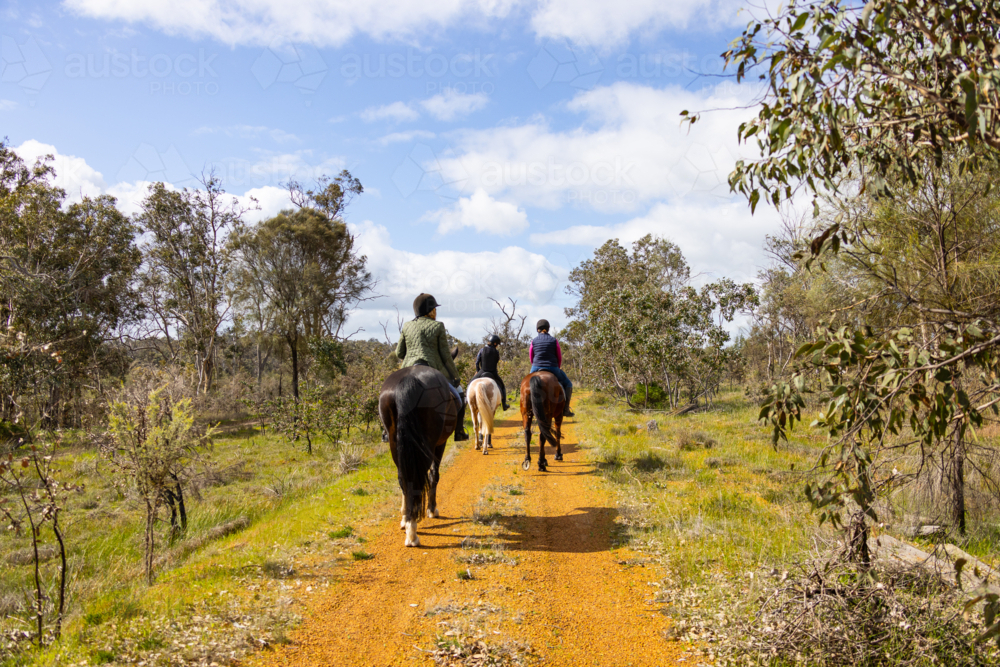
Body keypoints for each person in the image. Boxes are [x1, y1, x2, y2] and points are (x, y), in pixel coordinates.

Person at [395, 293, 469, 441]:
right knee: (460, 394)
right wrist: (455, 377)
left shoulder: (407, 325)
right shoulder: (438, 326)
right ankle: (459, 432)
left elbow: (399, 352)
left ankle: (387, 431)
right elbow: (446, 357)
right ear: (431, 310)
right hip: (433, 369)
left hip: (409, 368)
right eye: (435, 308)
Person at [528, 319, 574, 417]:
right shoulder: (554, 340)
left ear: (537, 329)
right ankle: (566, 409)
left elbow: (531, 355)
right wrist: (558, 366)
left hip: (536, 367)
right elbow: (559, 356)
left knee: (526, 384)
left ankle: (527, 408)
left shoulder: (534, 341)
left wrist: (535, 365)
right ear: (548, 329)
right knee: (568, 384)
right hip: (552, 367)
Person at [471, 335, 510, 411]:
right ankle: (504, 404)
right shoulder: (496, 352)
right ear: (495, 344)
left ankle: (466, 400)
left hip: (482, 371)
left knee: (471, 383)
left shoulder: (482, 350)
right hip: (493, 373)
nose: (497, 346)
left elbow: (477, 362)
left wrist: (478, 370)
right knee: (502, 386)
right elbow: (496, 361)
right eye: (497, 344)